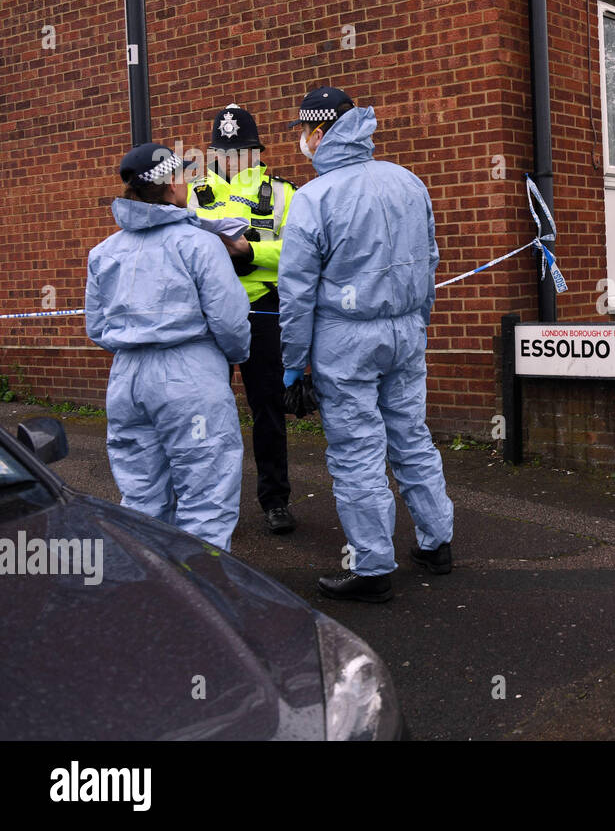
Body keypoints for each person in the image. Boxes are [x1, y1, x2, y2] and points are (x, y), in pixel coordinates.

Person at [278, 87, 455, 603]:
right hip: (404, 331)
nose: (299, 144)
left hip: (345, 338)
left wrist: (293, 366)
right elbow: (431, 260)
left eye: (301, 134)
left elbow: (296, 294)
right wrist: (418, 321)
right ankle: (437, 541)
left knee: (357, 450)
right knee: (412, 435)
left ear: (318, 133)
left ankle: (374, 568)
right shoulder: (407, 182)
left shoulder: (315, 198)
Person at [86, 144, 251, 551]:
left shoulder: (104, 253)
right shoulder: (199, 244)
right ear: (170, 183)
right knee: (206, 494)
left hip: (127, 379)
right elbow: (230, 321)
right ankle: (203, 597)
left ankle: (148, 595)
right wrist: (234, 356)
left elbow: (97, 327)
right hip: (188, 376)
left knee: (140, 495)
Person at [190, 104, 298, 534]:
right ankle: (206, 503)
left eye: (241, 150)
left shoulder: (285, 193)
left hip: (262, 310)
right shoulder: (189, 191)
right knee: (202, 412)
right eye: (223, 150)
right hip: (204, 316)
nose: (232, 158)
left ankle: (275, 500)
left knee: (268, 409)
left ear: (256, 150)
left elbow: (297, 253)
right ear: (213, 152)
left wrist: (250, 252)